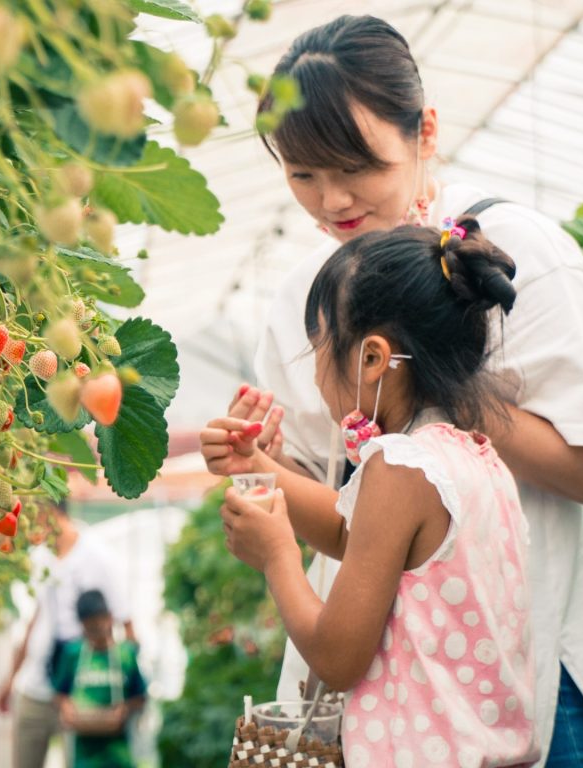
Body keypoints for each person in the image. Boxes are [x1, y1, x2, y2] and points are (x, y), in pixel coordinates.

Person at [225, 15, 583, 768]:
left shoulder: (518, 257)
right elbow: (347, 517)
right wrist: (258, 465)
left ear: (426, 134)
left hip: (525, 668)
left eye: (357, 164)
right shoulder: (304, 301)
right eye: (303, 174)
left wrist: (435, 378)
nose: (332, 200)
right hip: (381, 704)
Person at [210, 220, 538, 766]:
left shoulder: (399, 466)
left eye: (319, 349)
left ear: (372, 358)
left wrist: (277, 556)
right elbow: (352, 533)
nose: (316, 375)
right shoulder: (475, 459)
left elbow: (338, 657)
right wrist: (257, 463)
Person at [0, 501, 135, 768]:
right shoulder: (40, 557)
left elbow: (127, 625)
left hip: (83, 686)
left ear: (52, 513)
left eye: (33, 517)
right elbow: (34, 621)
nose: (29, 528)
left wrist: (127, 694)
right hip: (38, 681)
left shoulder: (99, 557)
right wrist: (11, 679)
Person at [51, 589, 147, 768]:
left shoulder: (125, 654)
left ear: (109, 617)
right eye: (89, 627)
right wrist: (66, 708)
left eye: (98, 623)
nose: (95, 631)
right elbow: (59, 693)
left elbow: (140, 696)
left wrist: (125, 709)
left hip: (118, 755)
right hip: (83, 756)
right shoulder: (73, 653)